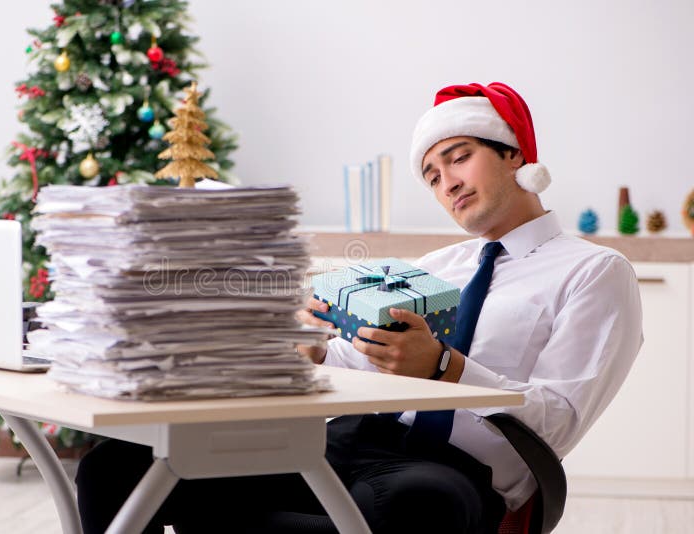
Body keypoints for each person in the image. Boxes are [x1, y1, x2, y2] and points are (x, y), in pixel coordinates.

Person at [74, 82, 643, 533]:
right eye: (432, 176)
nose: (447, 183)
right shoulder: (437, 265)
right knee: (117, 465)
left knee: (419, 504)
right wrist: (320, 349)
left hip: (447, 470)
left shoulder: (593, 271)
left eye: (459, 158)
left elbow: (558, 420)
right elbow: (370, 357)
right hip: (341, 442)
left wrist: (445, 368)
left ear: (513, 152)